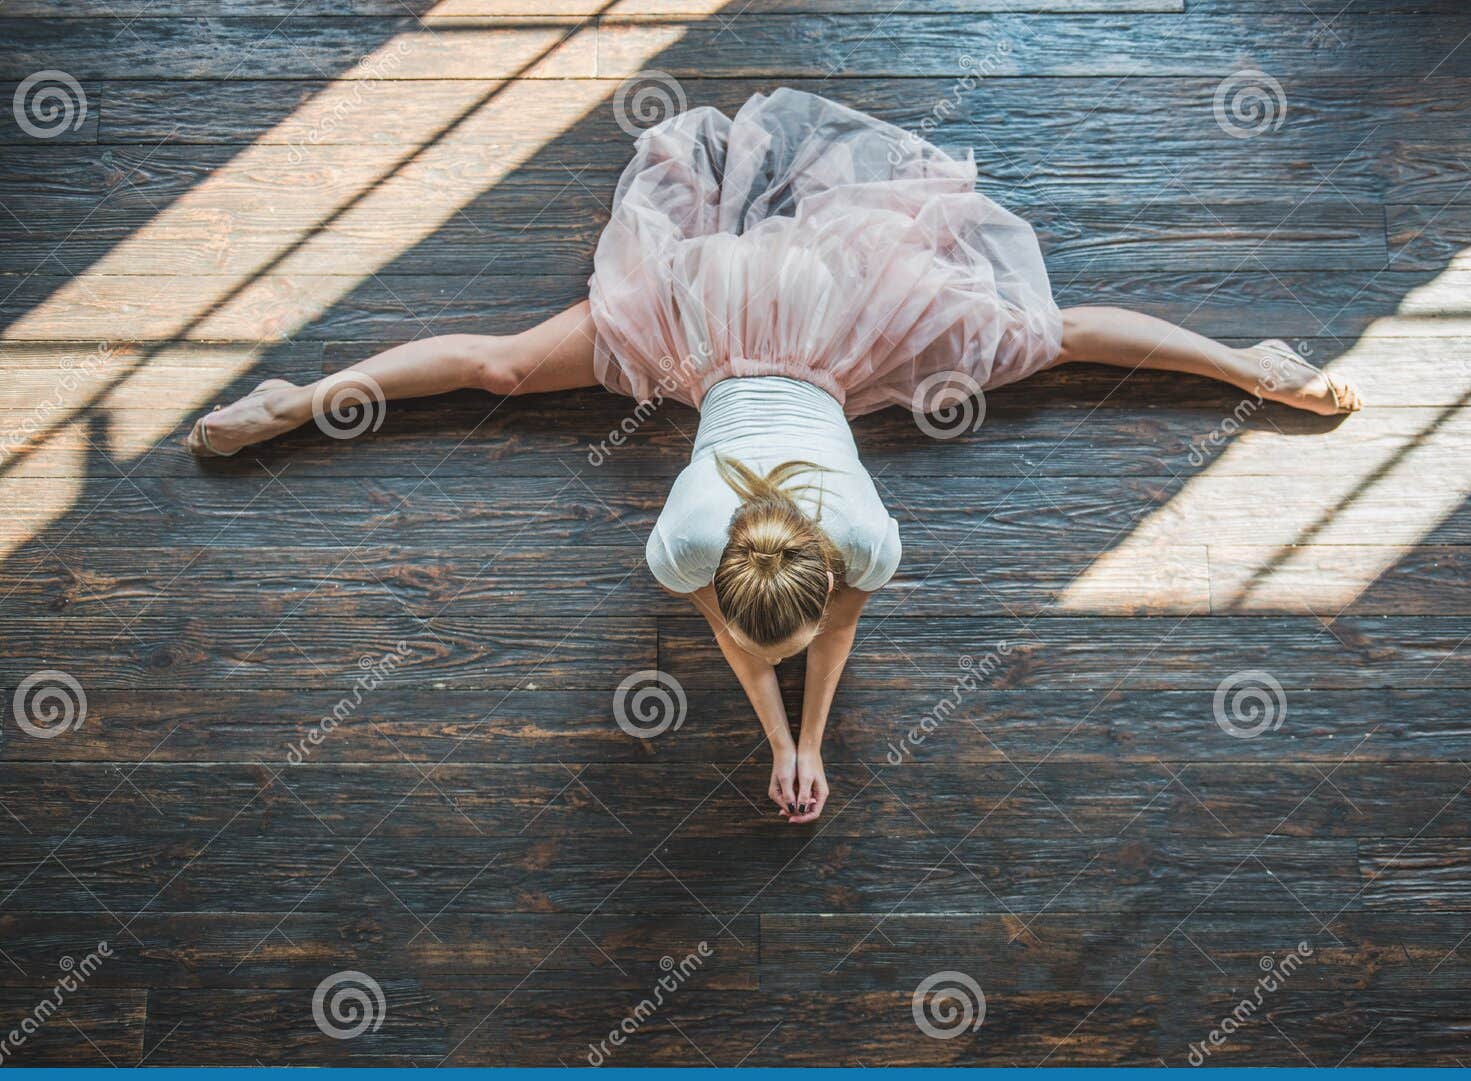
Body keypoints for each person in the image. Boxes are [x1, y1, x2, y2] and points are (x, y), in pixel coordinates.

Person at [187, 88, 1360, 824]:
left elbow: (809, 626)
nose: (796, 637)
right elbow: (809, 625)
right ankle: (301, 401)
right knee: (1042, 346)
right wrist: (793, 741)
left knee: (1049, 345)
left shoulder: (747, 545)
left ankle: (1245, 362)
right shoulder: (772, 546)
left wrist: (792, 741)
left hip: (722, 331)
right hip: (793, 333)